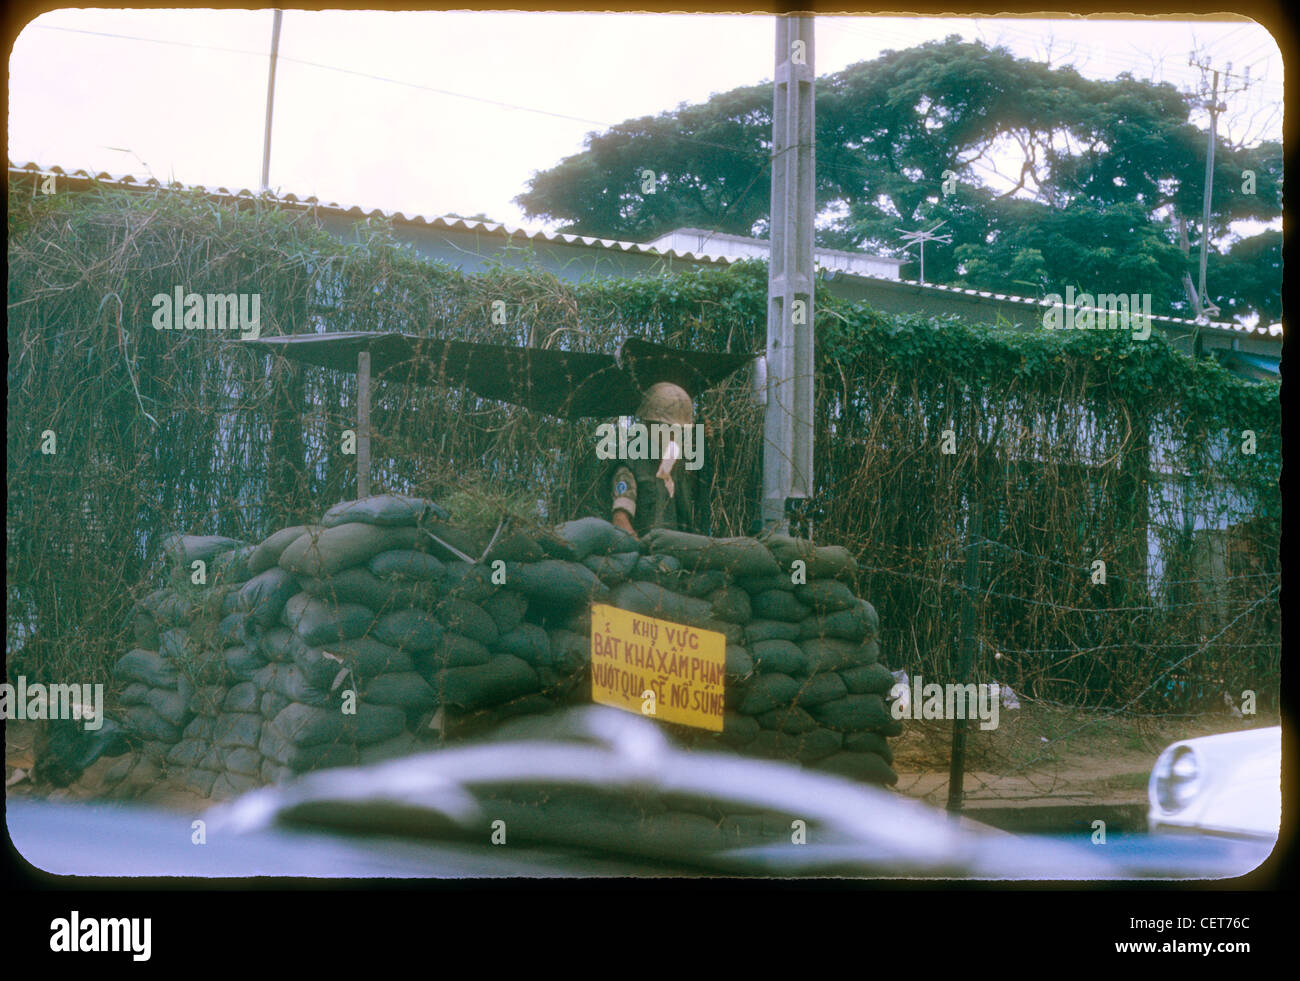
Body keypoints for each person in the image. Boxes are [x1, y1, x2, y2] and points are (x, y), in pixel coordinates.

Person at [610, 382, 704, 538]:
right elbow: (620, 519)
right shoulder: (630, 462)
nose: (674, 436)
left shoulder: (676, 460)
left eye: (678, 430)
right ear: (648, 425)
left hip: (676, 552)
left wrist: (706, 443)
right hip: (645, 555)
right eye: (667, 429)